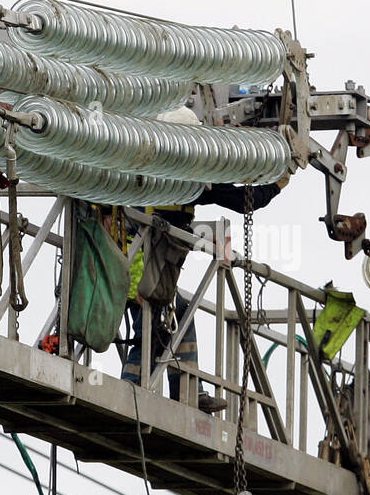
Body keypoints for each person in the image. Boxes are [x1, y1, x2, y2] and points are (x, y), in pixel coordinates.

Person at [122, 106, 291, 413]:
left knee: (175, 314)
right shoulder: (184, 176)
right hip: (136, 267)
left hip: (132, 264)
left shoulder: (151, 166)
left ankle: (188, 389)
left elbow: (238, 200)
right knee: (154, 320)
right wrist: (279, 183)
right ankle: (131, 391)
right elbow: (242, 201)